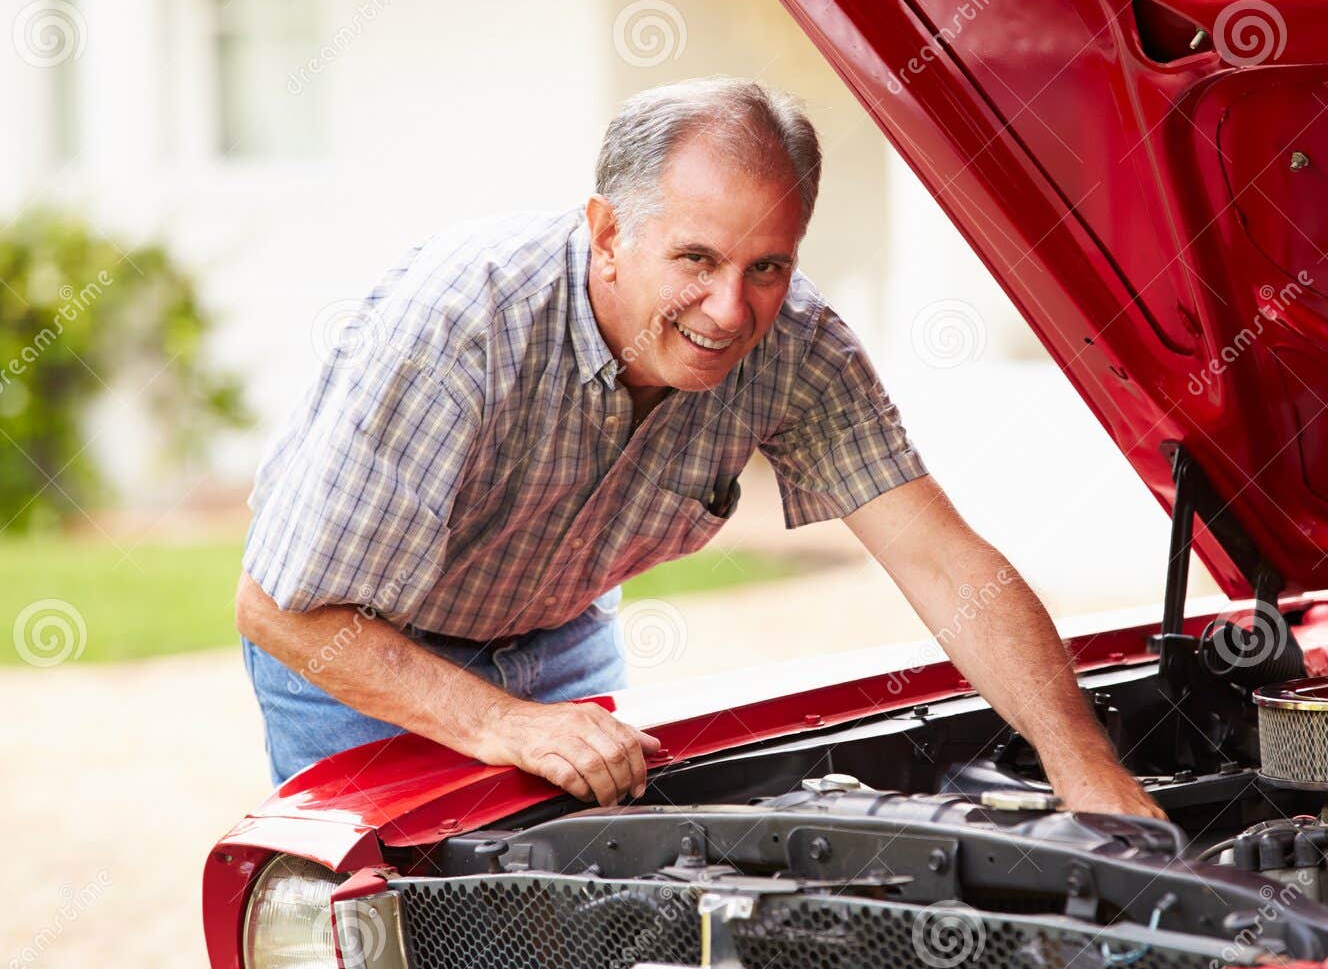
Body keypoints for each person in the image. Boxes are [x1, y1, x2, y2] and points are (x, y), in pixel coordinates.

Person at [235, 76, 1163, 819]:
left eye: (768, 266)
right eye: (697, 260)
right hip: (359, 654)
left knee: (551, 931)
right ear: (608, 233)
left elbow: (944, 560)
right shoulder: (460, 325)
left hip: (559, 645)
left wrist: (1083, 767)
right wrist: (498, 723)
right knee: (376, 944)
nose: (732, 311)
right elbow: (281, 609)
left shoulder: (798, 350)